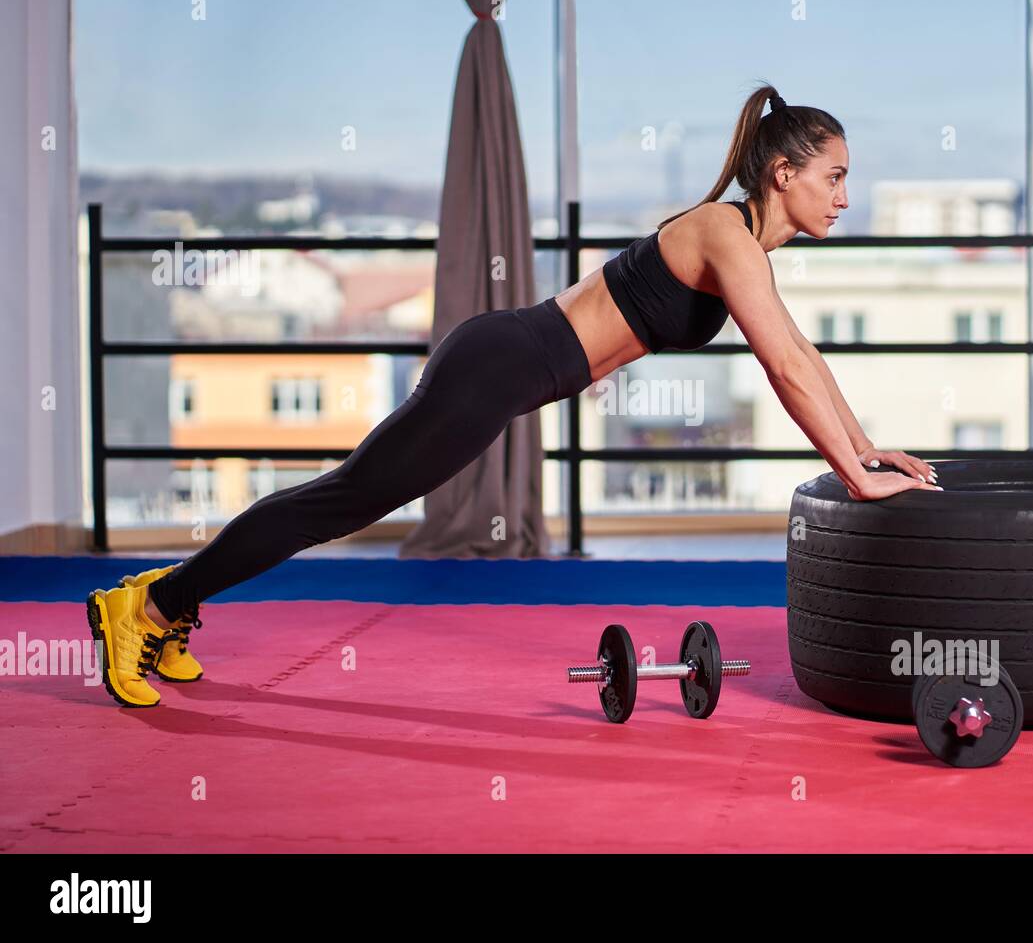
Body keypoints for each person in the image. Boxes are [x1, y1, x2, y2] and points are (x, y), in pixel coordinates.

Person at [85, 81, 941, 709]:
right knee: (340, 501)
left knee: (340, 495)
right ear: (784, 172)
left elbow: (800, 352)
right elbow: (783, 370)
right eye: (833, 176)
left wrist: (864, 450)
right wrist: (858, 478)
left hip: (507, 364)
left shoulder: (745, 243)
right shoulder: (725, 231)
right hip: (497, 367)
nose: (844, 195)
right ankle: (151, 604)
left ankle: (168, 600)